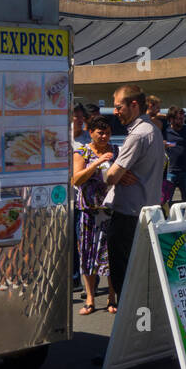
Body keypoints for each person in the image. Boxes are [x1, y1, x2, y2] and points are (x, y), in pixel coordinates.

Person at [103, 84, 166, 303]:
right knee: (141, 276)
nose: (115, 112)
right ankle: (140, 327)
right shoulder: (153, 131)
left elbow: (111, 177)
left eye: (118, 106)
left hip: (128, 215)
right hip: (146, 212)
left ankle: (129, 328)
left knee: (125, 277)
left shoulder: (138, 135)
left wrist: (113, 172)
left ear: (134, 105)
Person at [73, 115, 116, 314]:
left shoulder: (115, 150)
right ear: (91, 132)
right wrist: (97, 162)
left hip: (110, 209)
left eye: (107, 132)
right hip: (88, 210)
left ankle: (112, 297)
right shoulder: (82, 151)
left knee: (111, 254)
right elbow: (76, 180)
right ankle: (90, 298)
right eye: (100, 132)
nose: (104, 136)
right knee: (87, 254)